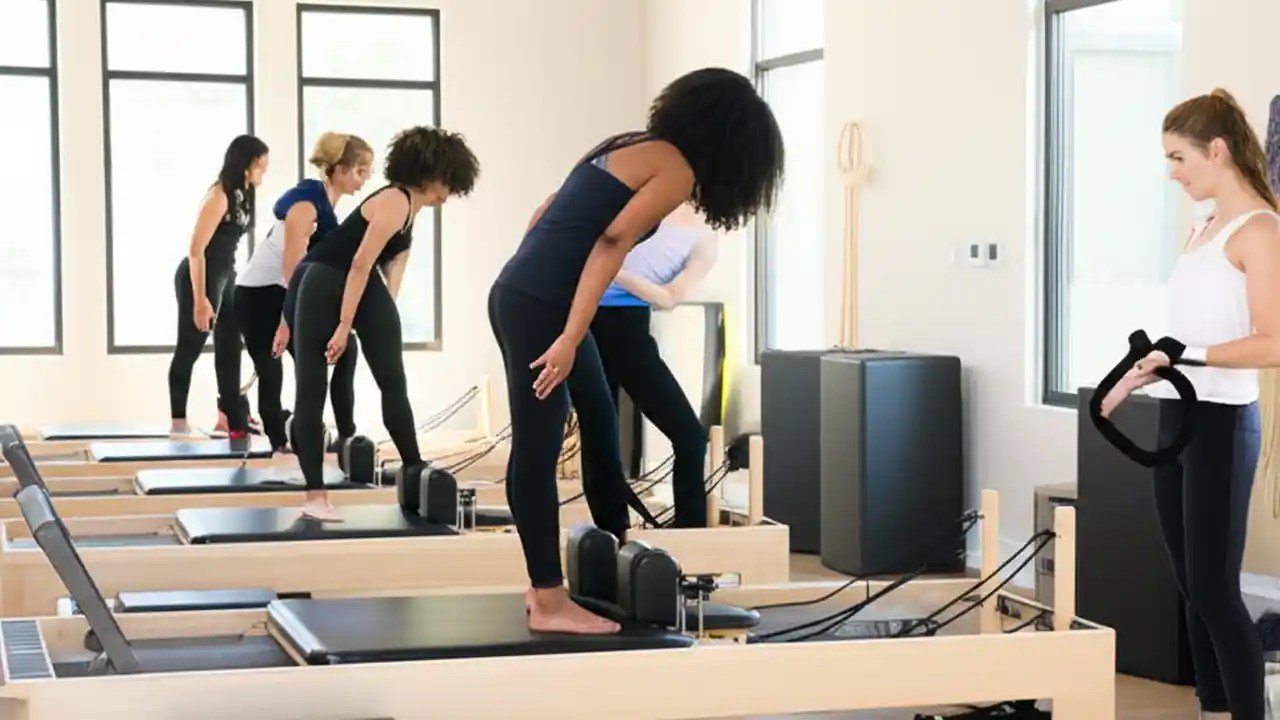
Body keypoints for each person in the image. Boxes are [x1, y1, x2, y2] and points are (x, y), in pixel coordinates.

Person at [488, 67, 784, 635]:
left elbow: (547, 212)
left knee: (578, 420)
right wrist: (570, 335)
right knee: (538, 444)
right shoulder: (676, 169)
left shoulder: (627, 146)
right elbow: (612, 241)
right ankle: (549, 601)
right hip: (541, 305)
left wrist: (534, 282)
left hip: (519, 292)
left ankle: (569, 573)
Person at [1101, 88, 1280, 720]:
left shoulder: (1259, 230)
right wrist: (1145, 371)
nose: (1172, 171)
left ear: (1218, 151)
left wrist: (1185, 354)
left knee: (1214, 587)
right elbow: (1193, 333)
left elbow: (1274, 342)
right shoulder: (1203, 226)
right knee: (1189, 586)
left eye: (1179, 158)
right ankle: (1213, 709)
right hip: (1181, 413)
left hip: (1224, 423)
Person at [283, 126, 479, 521]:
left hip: (359, 282)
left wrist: (380, 321)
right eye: (446, 182)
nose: (448, 193)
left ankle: (414, 469)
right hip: (323, 279)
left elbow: (392, 272)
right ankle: (315, 497)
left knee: (393, 379)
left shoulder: (413, 209)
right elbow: (357, 262)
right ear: (427, 173)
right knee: (312, 387)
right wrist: (344, 326)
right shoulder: (393, 200)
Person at [567, 202, 718, 529]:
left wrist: (613, 269)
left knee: (690, 437)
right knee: (600, 437)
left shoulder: (704, 238)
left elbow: (669, 297)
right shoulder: (646, 199)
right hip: (583, 321)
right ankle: (612, 533)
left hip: (630, 331)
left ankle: (690, 537)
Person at [235, 132, 373, 453]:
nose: (365, 179)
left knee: (343, 348)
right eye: (360, 171)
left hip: (286, 293)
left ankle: (343, 436)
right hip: (258, 296)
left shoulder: (326, 212)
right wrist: (286, 322)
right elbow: (291, 271)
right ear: (337, 169)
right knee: (271, 367)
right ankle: (280, 443)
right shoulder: (305, 208)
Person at [168, 134, 269, 439]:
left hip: (226, 275)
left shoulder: (243, 195)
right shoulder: (219, 197)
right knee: (190, 347)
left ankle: (230, 417)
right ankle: (178, 423)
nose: (264, 173)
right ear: (247, 165)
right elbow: (196, 249)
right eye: (261, 167)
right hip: (200, 276)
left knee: (230, 346)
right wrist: (200, 300)